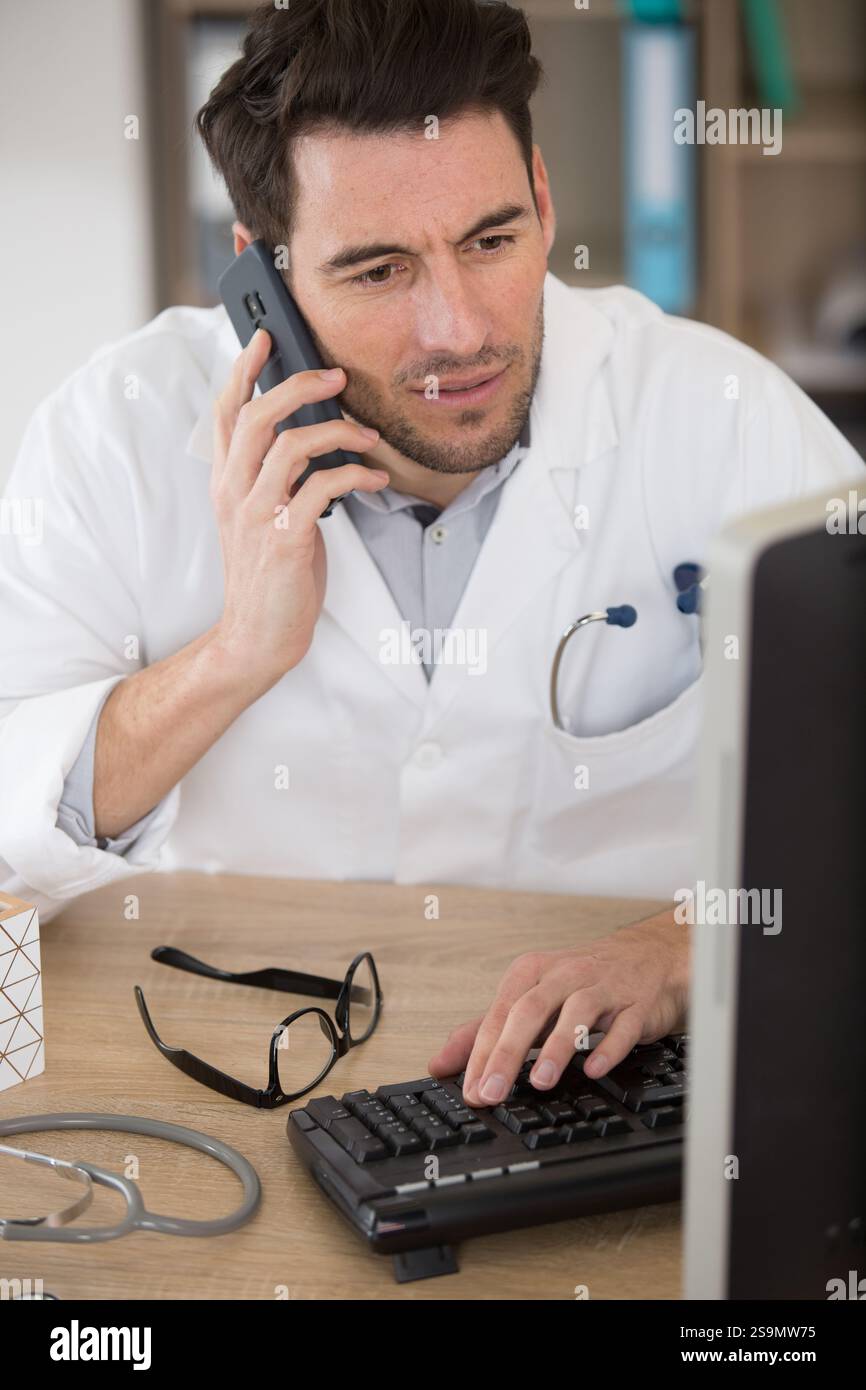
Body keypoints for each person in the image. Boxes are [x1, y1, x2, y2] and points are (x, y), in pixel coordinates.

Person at [0, 0, 862, 1107]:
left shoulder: (716, 413)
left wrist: (683, 948)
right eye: (377, 271)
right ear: (259, 276)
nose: (456, 328)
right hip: (225, 1074)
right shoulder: (113, 432)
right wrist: (231, 659)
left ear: (544, 203)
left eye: (490, 241)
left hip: (608, 1098)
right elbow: (15, 839)